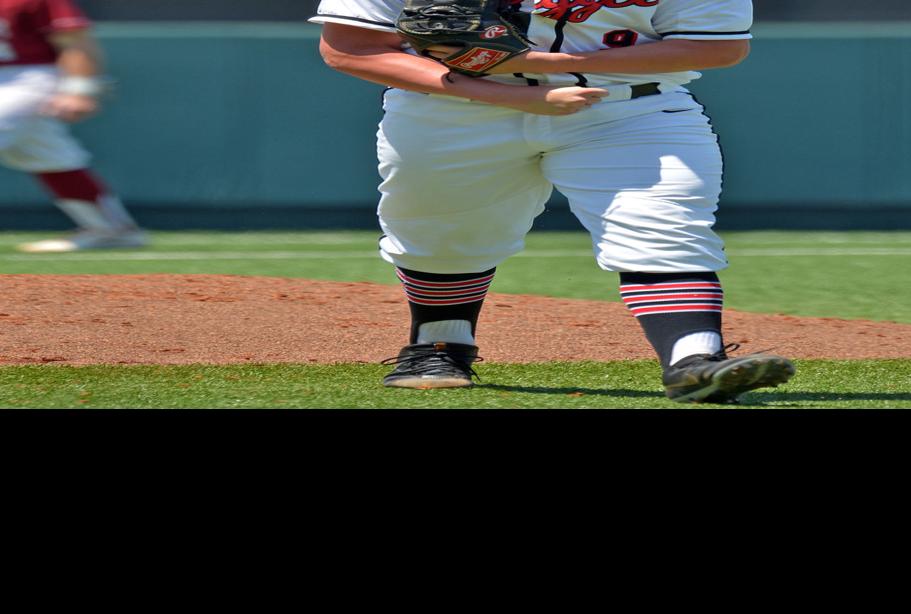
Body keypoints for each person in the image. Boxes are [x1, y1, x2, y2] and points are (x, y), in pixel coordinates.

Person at [312, 0, 796, 404]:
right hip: (451, 107)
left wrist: (538, 66)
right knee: (444, 234)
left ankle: (694, 360)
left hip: (627, 106)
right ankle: (439, 345)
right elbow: (349, 49)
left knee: (663, 221)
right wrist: (511, 91)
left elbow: (720, 46)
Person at [1, 0, 145, 253]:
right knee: (46, 155)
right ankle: (110, 229)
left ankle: (110, 230)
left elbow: (76, 40)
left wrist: (79, 90)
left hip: (27, 77)